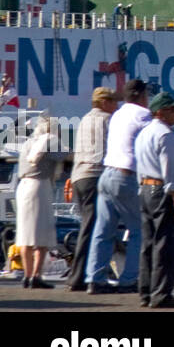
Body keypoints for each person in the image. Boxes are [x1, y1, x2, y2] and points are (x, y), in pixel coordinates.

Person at [86, 78, 153, 294]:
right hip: (126, 176)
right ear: (143, 96)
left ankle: (94, 279)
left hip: (107, 174)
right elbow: (154, 140)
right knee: (139, 231)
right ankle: (129, 279)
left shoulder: (118, 113)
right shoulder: (143, 115)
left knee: (103, 230)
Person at [134, 92, 174, 308]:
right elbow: (170, 169)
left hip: (145, 189)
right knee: (166, 244)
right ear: (161, 112)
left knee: (147, 244)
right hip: (161, 191)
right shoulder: (165, 135)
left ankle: (145, 292)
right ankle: (161, 294)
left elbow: (138, 164)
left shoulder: (144, 133)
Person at [66, 86, 119, 291]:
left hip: (79, 176)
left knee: (86, 226)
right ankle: (81, 277)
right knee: (96, 228)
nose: (117, 105)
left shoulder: (85, 119)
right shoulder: (107, 120)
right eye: (114, 101)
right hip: (95, 175)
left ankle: (81, 275)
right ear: (104, 102)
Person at [15, 115, 64, 288]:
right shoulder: (50, 141)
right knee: (41, 233)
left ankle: (26, 276)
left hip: (23, 186)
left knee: (25, 234)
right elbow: (65, 156)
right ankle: (36, 276)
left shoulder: (28, 143)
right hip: (39, 186)